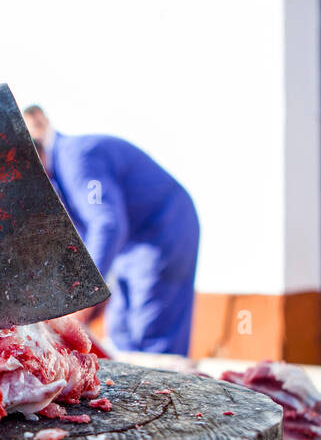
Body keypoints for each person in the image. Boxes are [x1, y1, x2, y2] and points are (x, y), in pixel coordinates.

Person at [22, 105, 198, 356]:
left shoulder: (75, 159)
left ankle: (167, 377)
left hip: (164, 230)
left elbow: (106, 224)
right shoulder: (58, 176)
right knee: (120, 329)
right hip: (130, 245)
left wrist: (82, 294)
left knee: (149, 328)